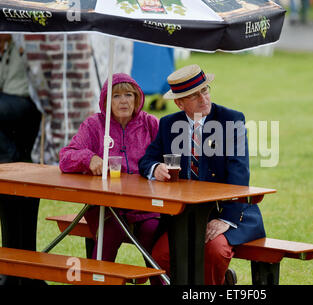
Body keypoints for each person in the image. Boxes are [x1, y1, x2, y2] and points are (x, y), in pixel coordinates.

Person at [138, 64, 266, 285]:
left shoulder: (231, 120)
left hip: (229, 211)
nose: (203, 99)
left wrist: (225, 219)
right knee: (159, 256)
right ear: (179, 103)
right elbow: (146, 160)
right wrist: (155, 168)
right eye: (194, 96)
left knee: (214, 251)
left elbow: (239, 175)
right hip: (184, 217)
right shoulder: (169, 124)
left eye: (205, 91)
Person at [59, 73, 160, 263]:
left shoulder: (150, 124)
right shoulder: (94, 125)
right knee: (112, 228)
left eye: (129, 95)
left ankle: (158, 281)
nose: (123, 101)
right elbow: (65, 157)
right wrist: (89, 158)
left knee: (152, 230)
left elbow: (168, 154)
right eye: (116, 96)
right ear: (106, 100)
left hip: (144, 205)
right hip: (104, 205)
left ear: (137, 98)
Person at [0, 34, 43, 286]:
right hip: (10, 117)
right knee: (13, 194)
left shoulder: (26, 42)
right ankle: (14, 273)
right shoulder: (5, 48)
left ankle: (21, 273)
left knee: (18, 188)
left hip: (27, 106)